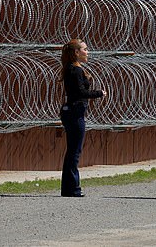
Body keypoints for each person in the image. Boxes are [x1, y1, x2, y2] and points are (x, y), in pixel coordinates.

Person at [59, 38, 106, 197]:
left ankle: (69, 189)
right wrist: (99, 93)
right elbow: (80, 93)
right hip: (74, 111)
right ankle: (72, 189)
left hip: (73, 111)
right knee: (74, 151)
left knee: (73, 151)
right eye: (85, 49)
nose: (88, 52)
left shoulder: (73, 69)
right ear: (76, 52)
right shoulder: (75, 70)